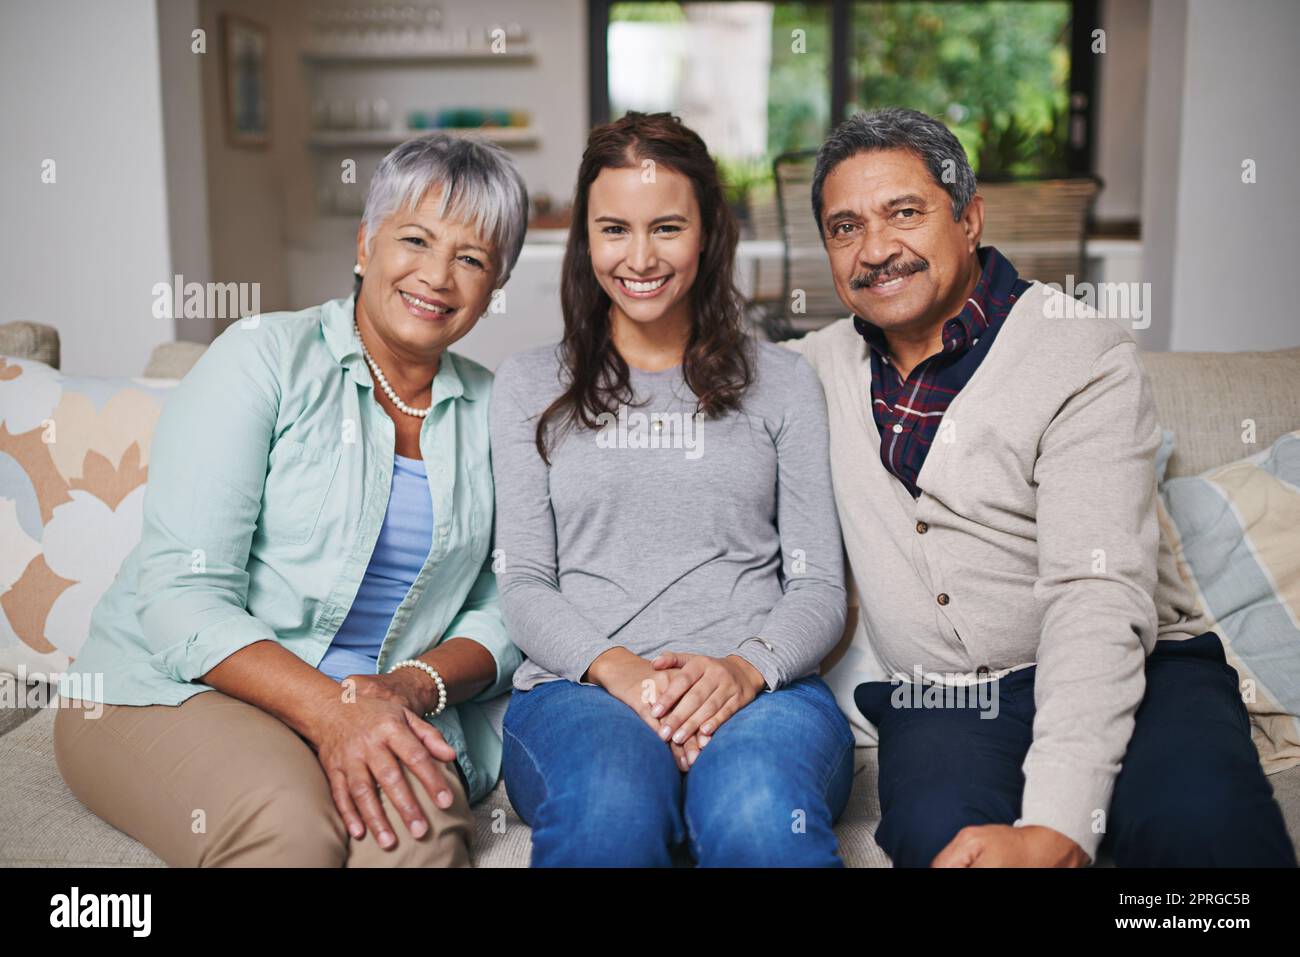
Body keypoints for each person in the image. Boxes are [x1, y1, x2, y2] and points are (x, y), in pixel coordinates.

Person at [785, 107, 1296, 867]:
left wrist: (1057, 824)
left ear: (969, 218)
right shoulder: (812, 370)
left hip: (1140, 673)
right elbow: (682, 377)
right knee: (944, 844)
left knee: (1206, 834)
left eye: (904, 213)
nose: (877, 249)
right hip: (946, 698)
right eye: (845, 227)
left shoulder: (1082, 355)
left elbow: (1096, 595)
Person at [53, 132, 529, 867]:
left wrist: (410, 685)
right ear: (365, 244)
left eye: (471, 258)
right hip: (178, 687)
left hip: (379, 704)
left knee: (421, 841)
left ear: (493, 288)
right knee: (292, 831)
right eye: (415, 239)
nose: (437, 275)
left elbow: (505, 600)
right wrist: (330, 712)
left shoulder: (498, 412)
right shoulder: (262, 358)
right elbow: (183, 592)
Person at [491, 112, 854, 867]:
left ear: (709, 232)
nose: (640, 256)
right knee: (609, 813)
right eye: (614, 228)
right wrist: (619, 670)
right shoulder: (528, 385)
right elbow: (524, 585)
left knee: (758, 814)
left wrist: (741, 670)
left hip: (763, 693)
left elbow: (819, 587)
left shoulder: (785, 382)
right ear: (586, 239)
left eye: (667, 227)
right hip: (579, 692)